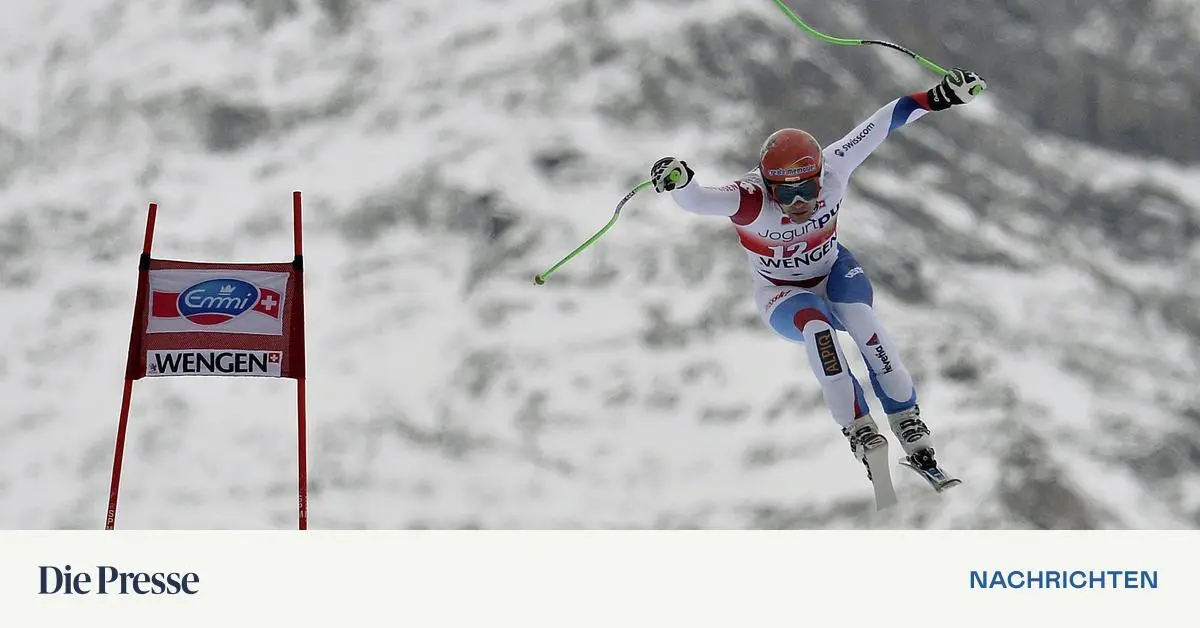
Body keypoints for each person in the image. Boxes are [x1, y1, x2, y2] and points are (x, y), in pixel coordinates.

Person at [648, 68, 986, 492]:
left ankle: (908, 420)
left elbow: (886, 120)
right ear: (768, 185)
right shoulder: (751, 201)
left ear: (818, 175)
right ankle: (859, 428)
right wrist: (681, 178)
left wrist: (941, 96)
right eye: (785, 193)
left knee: (866, 327)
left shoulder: (834, 169)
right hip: (781, 292)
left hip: (833, 271)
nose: (799, 202)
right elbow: (698, 200)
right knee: (820, 331)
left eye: (806, 189)